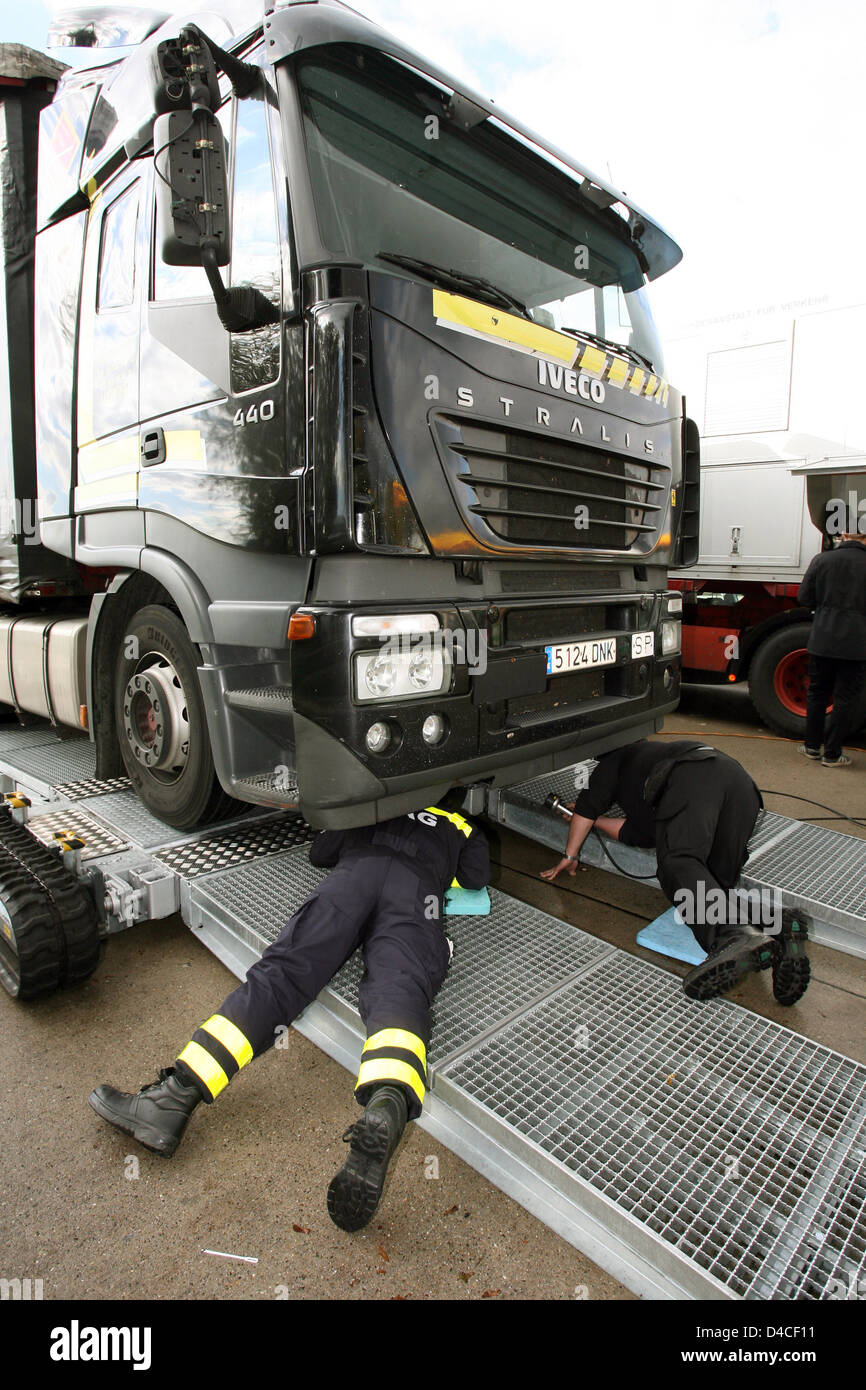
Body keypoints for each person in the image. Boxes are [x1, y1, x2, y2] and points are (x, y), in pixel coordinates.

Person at [88, 797, 490, 1233]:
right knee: (400, 990)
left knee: (281, 979)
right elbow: (476, 878)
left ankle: (175, 1097)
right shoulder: (462, 825)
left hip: (353, 879)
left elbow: (322, 852)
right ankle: (388, 1099)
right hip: (416, 894)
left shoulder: (379, 798)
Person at [540, 739, 808, 1004]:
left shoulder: (614, 761)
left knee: (677, 866)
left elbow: (586, 808)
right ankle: (778, 922)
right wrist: (593, 821)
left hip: (693, 777)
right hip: (741, 789)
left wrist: (570, 855)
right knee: (707, 888)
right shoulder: (646, 769)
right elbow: (633, 833)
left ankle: (733, 936)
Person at [798, 530, 866, 767]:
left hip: (822, 639)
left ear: (845, 534)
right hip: (857, 643)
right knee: (845, 698)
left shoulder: (822, 560)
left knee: (817, 692)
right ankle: (833, 754)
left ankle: (812, 746)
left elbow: (804, 597)